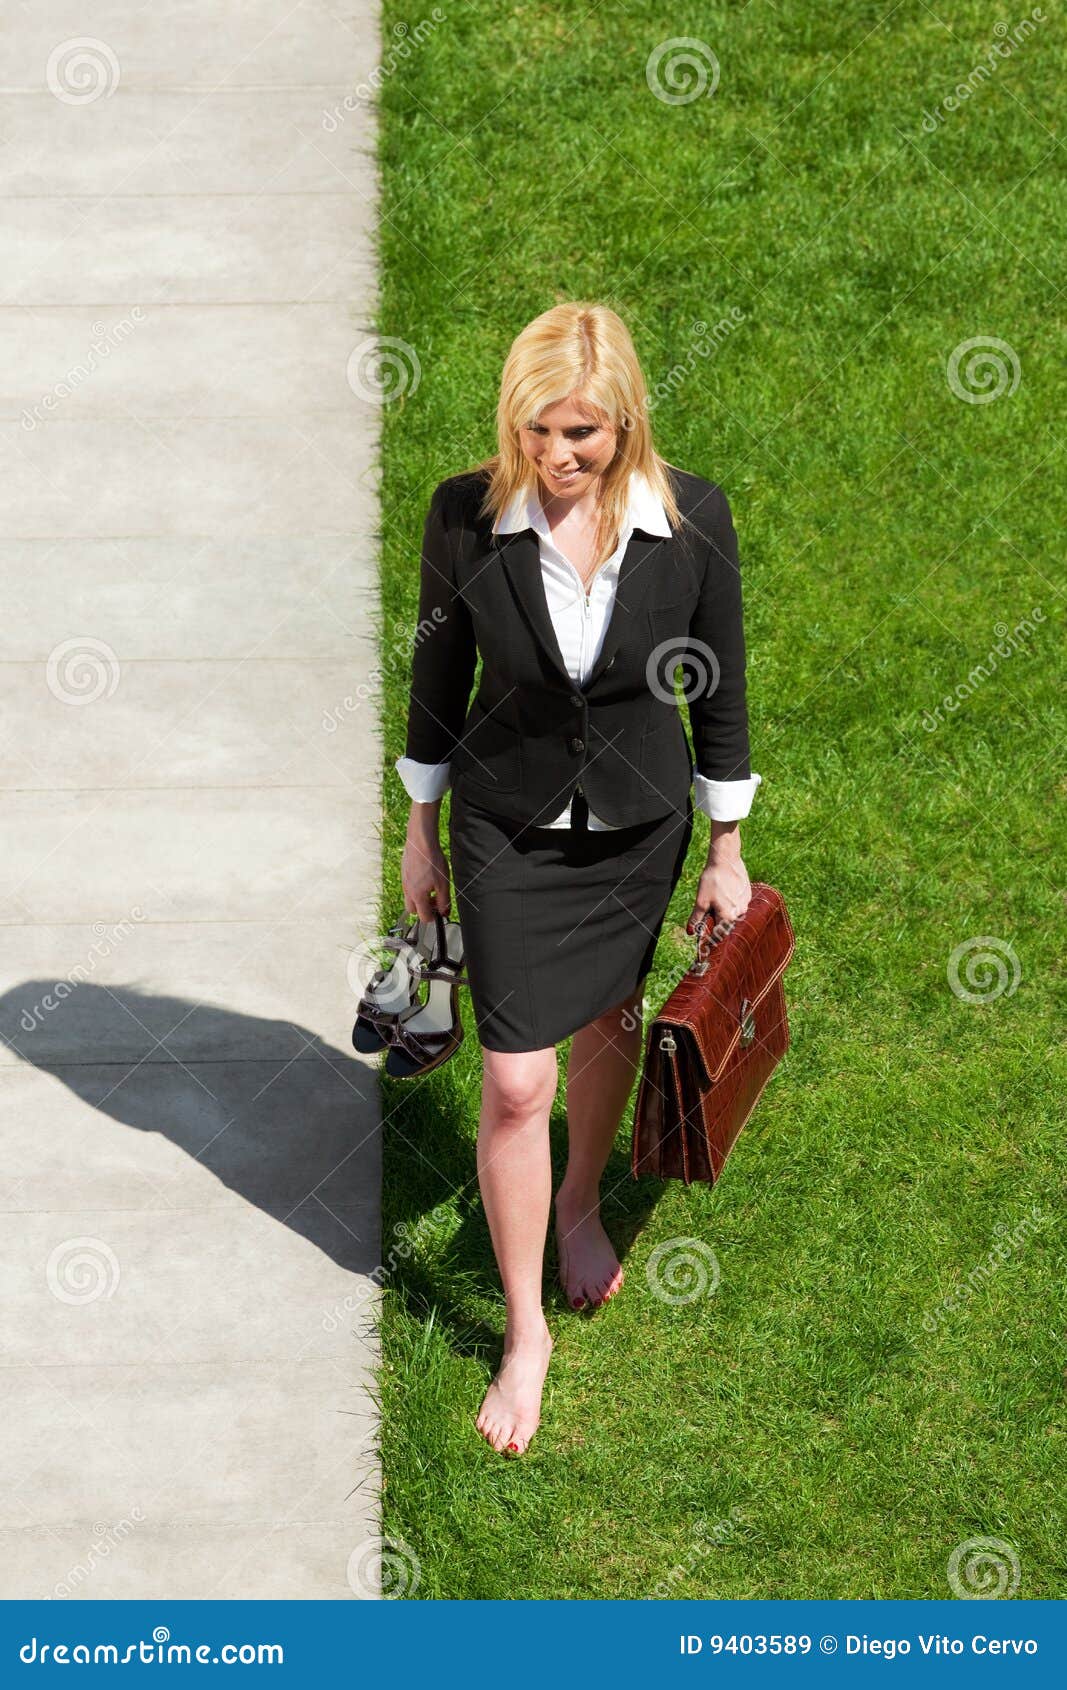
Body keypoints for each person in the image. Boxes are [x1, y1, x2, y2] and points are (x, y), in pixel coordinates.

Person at [396, 301, 761, 1456]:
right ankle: (522, 1332)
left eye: (582, 435)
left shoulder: (691, 519)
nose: (556, 457)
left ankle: (579, 1201)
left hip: (635, 830)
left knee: (608, 1018)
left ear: (624, 425)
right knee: (512, 1083)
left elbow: (720, 689)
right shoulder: (463, 517)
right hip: (502, 826)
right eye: (538, 431)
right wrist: (417, 828)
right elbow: (434, 675)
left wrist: (724, 847)